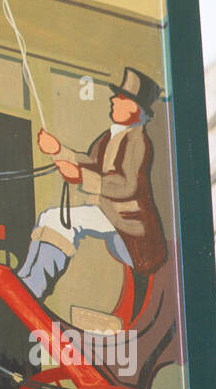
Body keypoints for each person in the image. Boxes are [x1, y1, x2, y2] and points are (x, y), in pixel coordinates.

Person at [17, 67, 166, 306]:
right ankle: (25, 278)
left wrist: (80, 176)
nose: (113, 100)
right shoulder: (110, 137)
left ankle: (34, 286)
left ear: (134, 108)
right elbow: (90, 162)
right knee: (47, 217)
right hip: (108, 214)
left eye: (120, 98)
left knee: (59, 220)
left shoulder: (138, 140)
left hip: (127, 223)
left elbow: (126, 185)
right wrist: (58, 150)